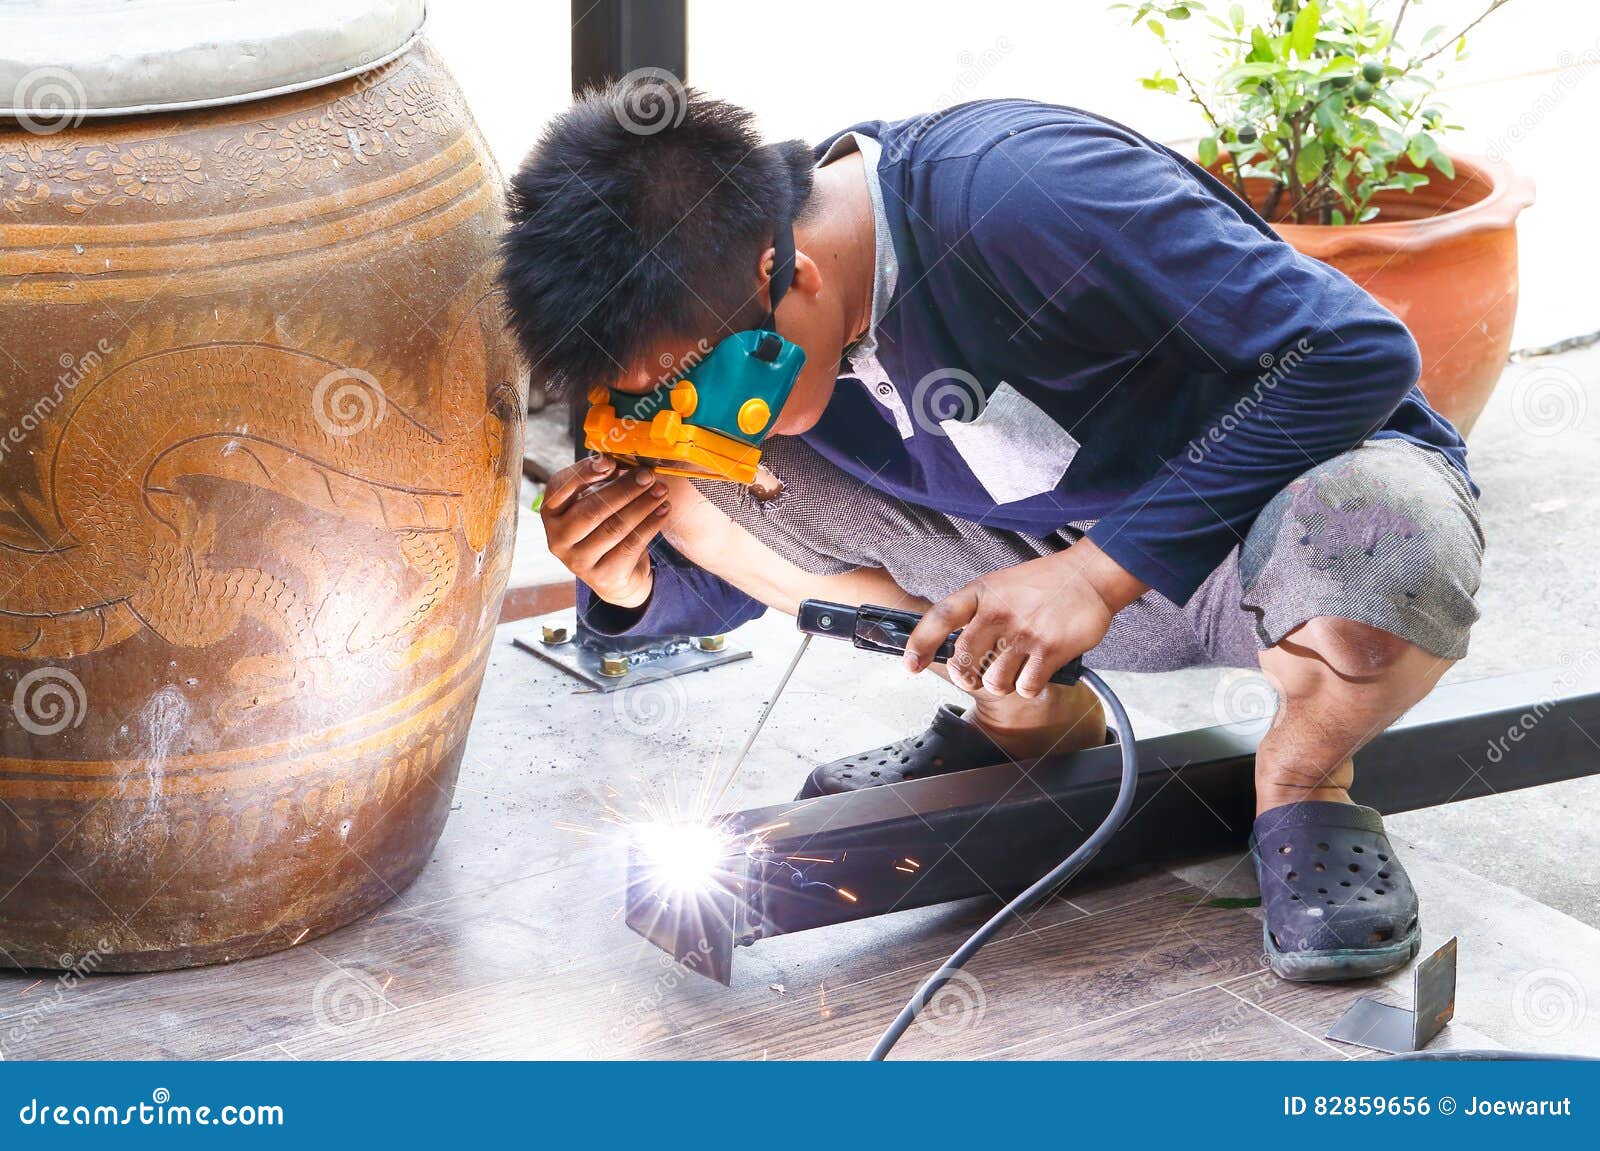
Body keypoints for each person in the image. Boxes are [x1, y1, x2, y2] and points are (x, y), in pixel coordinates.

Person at [500, 77, 1483, 982]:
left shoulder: (1027, 192)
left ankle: (1305, 776)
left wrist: (1099, 574)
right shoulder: (753, 333)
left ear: (785, 274)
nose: (699, 420)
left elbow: (1356, 351)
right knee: (677, 486)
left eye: (694, 384)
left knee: (1383, 528)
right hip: (1033, 590)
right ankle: (1025, 716)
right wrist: (627, 578)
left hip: (1259, 557)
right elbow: (744, 556)